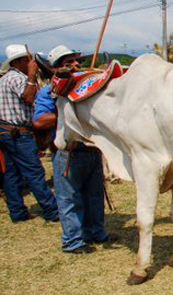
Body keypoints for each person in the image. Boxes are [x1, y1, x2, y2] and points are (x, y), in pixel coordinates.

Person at [33, 45, 112, 253]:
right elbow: (40, 121)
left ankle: (95, 232)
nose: (76, 64)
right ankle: (72, 241)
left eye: (76, 61)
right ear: (58, 67)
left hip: (91, 150)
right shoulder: (49, 92)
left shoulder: (85, 89)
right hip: (69, 153)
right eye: (69, 62)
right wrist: (65, 115)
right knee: (69, 199)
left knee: (94, 195)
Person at [0, 44, 59, 223]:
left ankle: (18, 213)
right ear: (17, 62)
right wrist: (32, 75)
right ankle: (51, 211)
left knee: (11, 174)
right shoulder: (17, 78)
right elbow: (28, 97)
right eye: (27, 60)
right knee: (34, 172)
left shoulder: (4, 79)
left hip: (5, 131)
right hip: (18, 133)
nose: (30, 63)